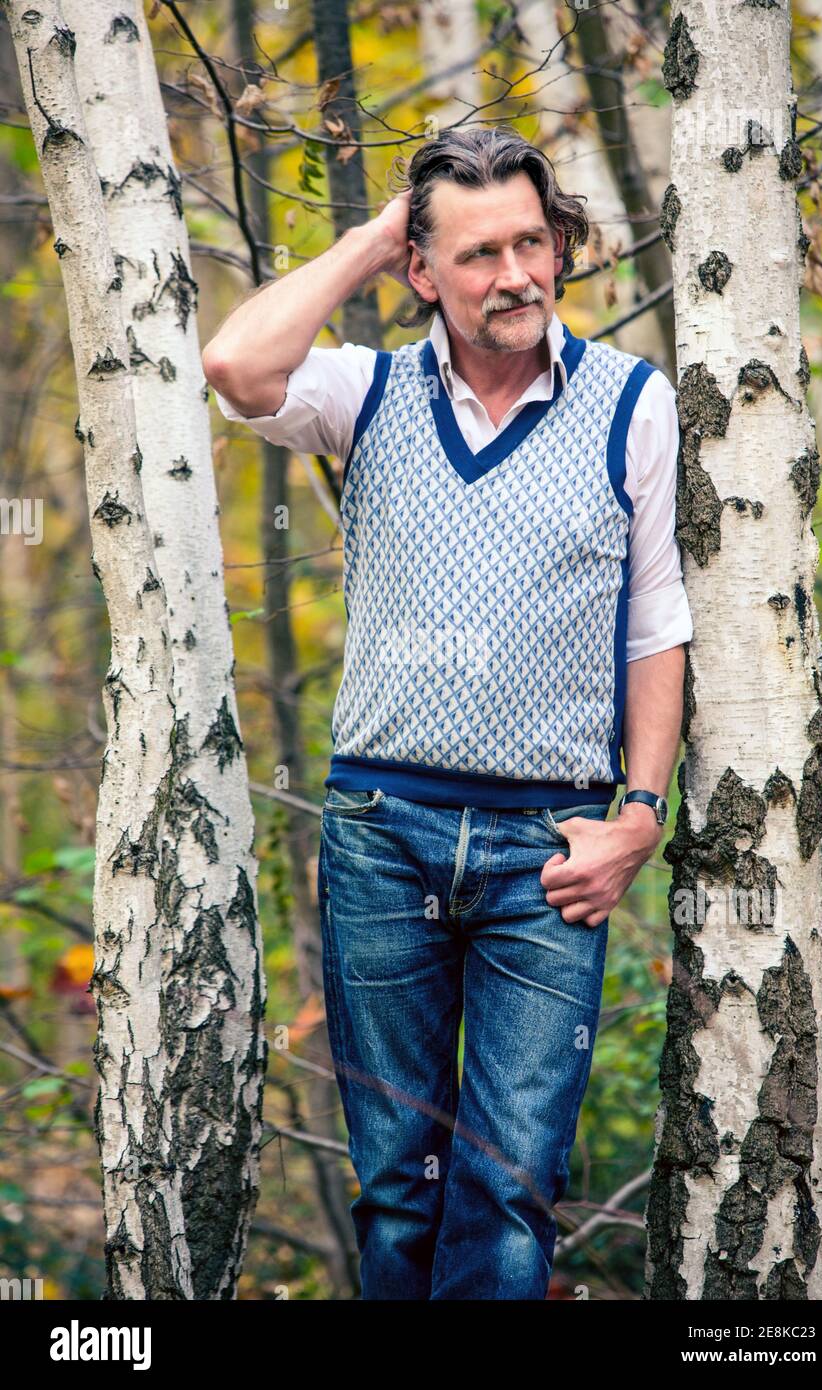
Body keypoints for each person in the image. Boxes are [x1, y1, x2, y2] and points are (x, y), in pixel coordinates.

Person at [202, 126, 691, 1300]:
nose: (513, 273)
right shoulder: (364, 392)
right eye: (475, 253)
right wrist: (376, 236)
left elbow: (654, 619)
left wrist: (636, 815)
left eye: (531, 240)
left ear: (559, 247)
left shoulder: (631, 404)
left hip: (549, 852)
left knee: (509, 1188)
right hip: (383, 833)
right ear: (423, 272)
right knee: (396, 1188)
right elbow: (234, 365)